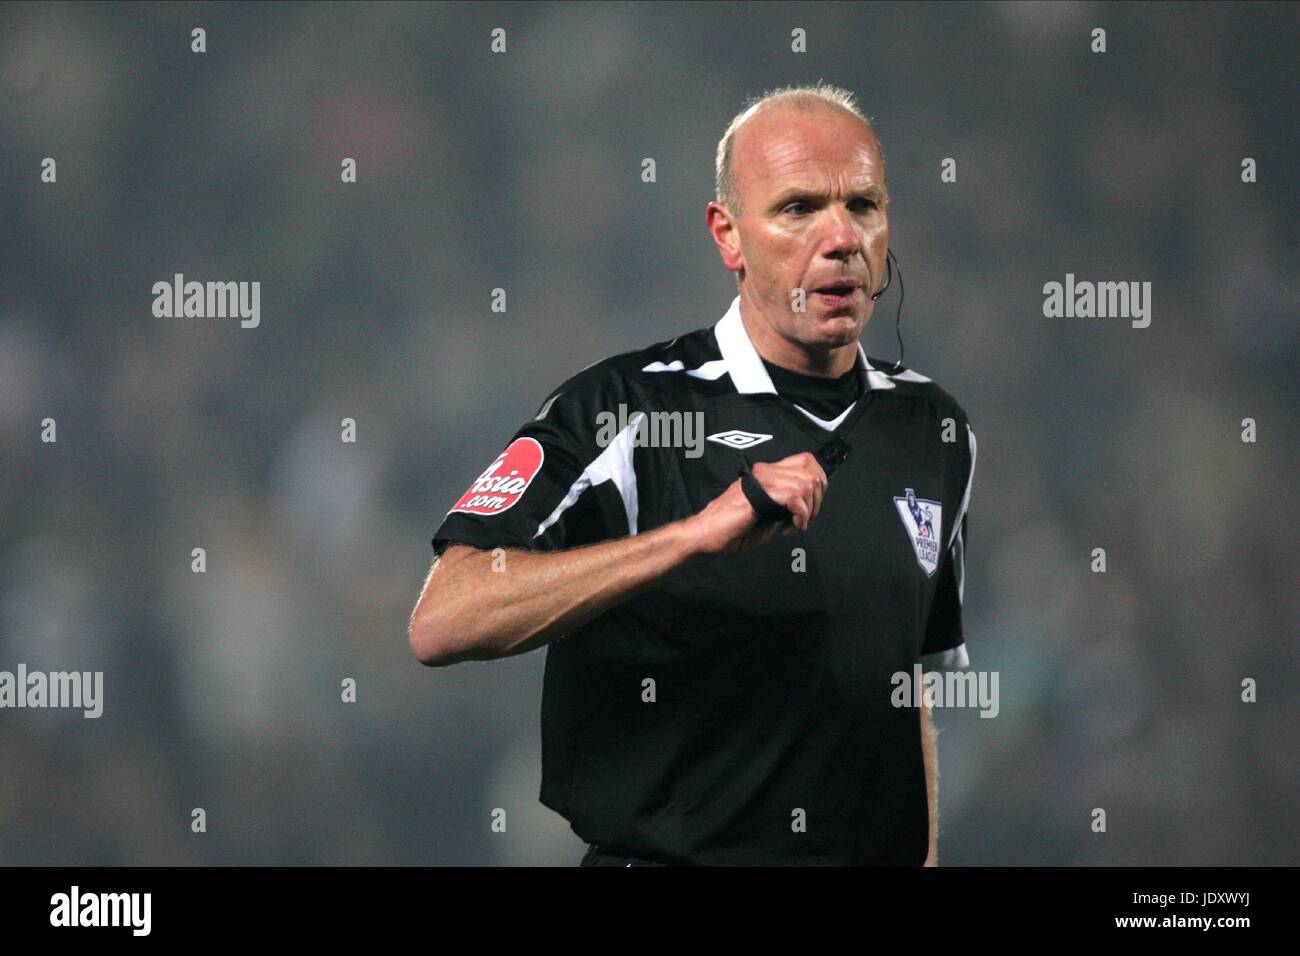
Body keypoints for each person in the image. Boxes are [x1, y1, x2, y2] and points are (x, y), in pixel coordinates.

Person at [410, 82, 977, 866]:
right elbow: (444, 619)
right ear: (729, 236)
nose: (842, 237)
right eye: (799, 208)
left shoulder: (934, 430)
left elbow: (904, 685)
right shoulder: (625, 410)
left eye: (865, 206)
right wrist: (688, 539)